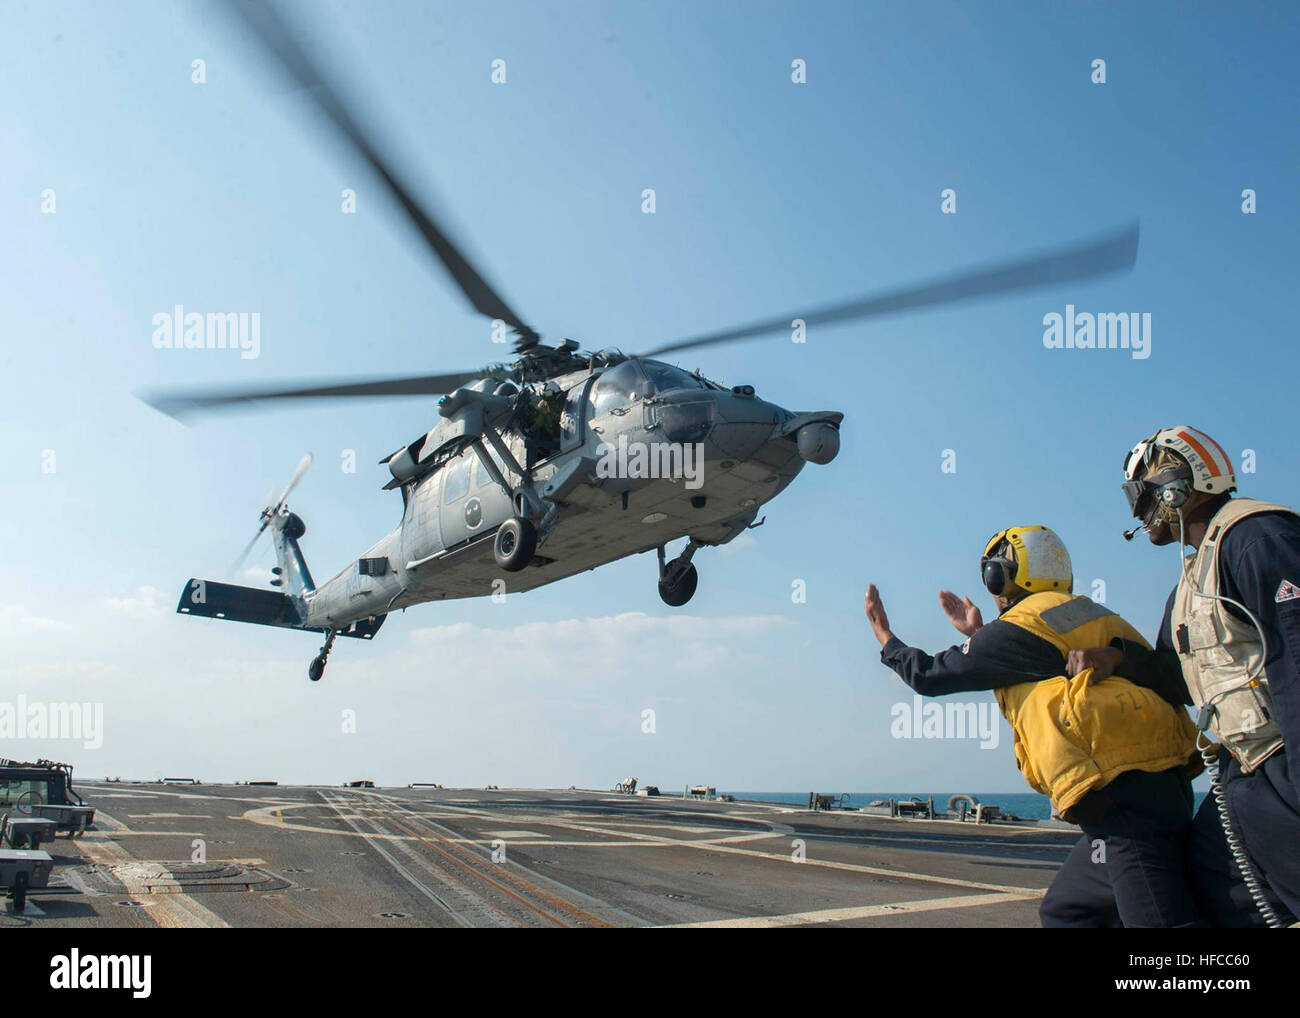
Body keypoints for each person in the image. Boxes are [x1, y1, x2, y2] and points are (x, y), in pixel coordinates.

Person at [864, 525, 1203, 927]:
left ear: (1001, 575)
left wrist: (885, 638)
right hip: (1164, 782)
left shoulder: (1021, 628)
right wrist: (979, 633)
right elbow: (1039, 659)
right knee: (1069, 910)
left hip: (1122, 796)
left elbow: (930, 676)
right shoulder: (1095, 614)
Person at [1073, 426, 1300, 927]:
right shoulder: (1191, 583)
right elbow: (1175, 681)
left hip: (1282, 773)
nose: (1137, 512)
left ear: (1178, 484)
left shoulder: (1257, 538)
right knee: (1196, 894)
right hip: (1241, 777)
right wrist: (1117, 659)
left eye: (1140, 495)